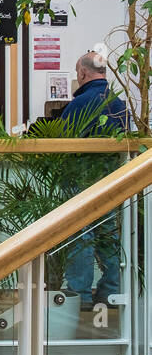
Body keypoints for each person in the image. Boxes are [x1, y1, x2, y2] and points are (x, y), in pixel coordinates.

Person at [58, 52, 127, 306]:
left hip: (80, 178)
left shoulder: (78, 104)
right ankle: (111, 292)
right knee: (108, 234)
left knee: (81, 235)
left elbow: (62, 143)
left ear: (83, 73)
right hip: (112, 180)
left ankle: (80, 296)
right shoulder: (119, 104)